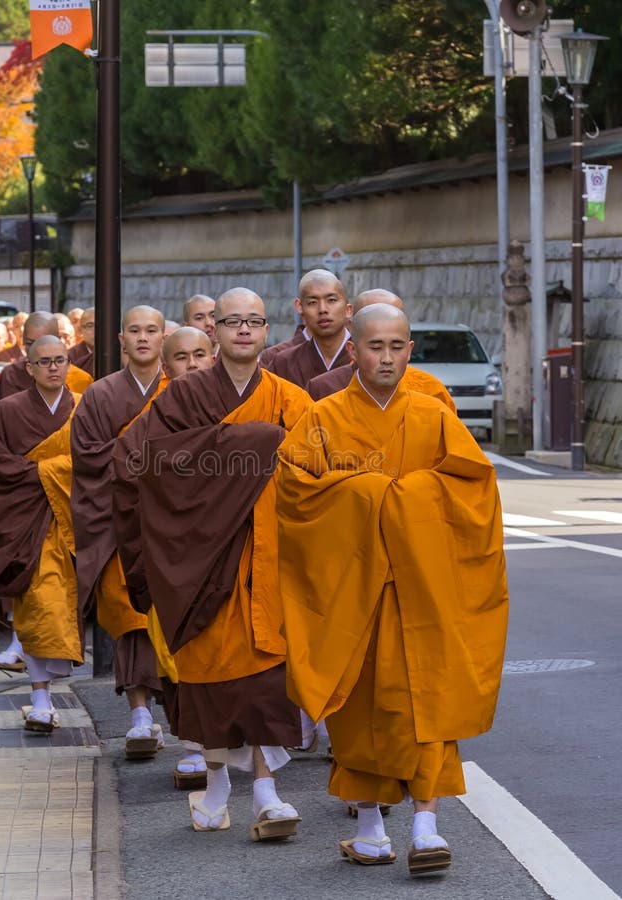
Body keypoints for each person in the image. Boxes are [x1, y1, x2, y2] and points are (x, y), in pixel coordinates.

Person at [276, 304, 508, 874]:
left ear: (410, 351)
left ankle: (427, 828)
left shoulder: (433, 415)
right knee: (360, 712)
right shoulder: (323, 418)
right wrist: (370, 495)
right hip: (354, 597)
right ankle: (373, 830)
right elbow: (295, 495)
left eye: (397, 346)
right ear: (352, 349)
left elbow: (475, 490)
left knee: (429, 705)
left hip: (423, 591)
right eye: (375, 346)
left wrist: (401, 498)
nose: (386, 357)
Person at [113, 287, 312, 840]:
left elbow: (318, 468)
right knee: (210, 683)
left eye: (253, 321)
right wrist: (250, 442)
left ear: (267, 330)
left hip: (271, 559)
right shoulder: (183, 397)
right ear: (215, 331)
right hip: (201, 563)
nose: (243, 330)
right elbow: (133, 459)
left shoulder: (291, 400)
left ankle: (269, 793)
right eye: (232, 322)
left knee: (269, 682)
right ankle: (219, 782)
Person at [71, 306, 170, 760]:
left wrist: (144, 447)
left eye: (152, 330)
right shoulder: (99, 394)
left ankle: (181, 716)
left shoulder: (183, 388)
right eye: (135, 331)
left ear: (164, 337)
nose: (144, 338)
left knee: (174, 619)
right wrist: (146, 446)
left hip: (174, 522)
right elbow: (89, 457)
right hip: (120, 525)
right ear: (121, 339)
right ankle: (139, 715)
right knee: (132, 618)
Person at [0, 335, 84, 732]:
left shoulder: (83, 409)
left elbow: (95, 459)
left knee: (63, 608)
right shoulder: (9, 411)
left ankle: (46, 694)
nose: (54, 368)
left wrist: (48, 468)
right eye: (45, 362)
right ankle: (40, 696)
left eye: (61, 360)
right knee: (38, 605)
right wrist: (49, 470)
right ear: (30, 368)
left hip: (72, 524)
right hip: (28, 524)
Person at [307, 289, 456, 410]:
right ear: (352, 327)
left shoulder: (432, 390)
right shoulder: (322, 387)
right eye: (371, 317)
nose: (383, 324)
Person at [265, 269, 352, 387]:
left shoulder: (365, 358)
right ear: (300, 308)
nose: (322, 309)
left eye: (331, 300)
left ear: (348, 310)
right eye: (312, 302)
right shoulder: (283, 363)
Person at [0, 312, 92, 401]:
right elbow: (7, 414)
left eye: (42, 344)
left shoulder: (80, 379)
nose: (35, 350)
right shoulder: (11, 374)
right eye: (29, 343)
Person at [68, 307, 94, 376]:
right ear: (80, 330)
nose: (96, 330)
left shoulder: (118, 353)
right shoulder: (70, 356)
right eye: (90, 325)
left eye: (101, 324)